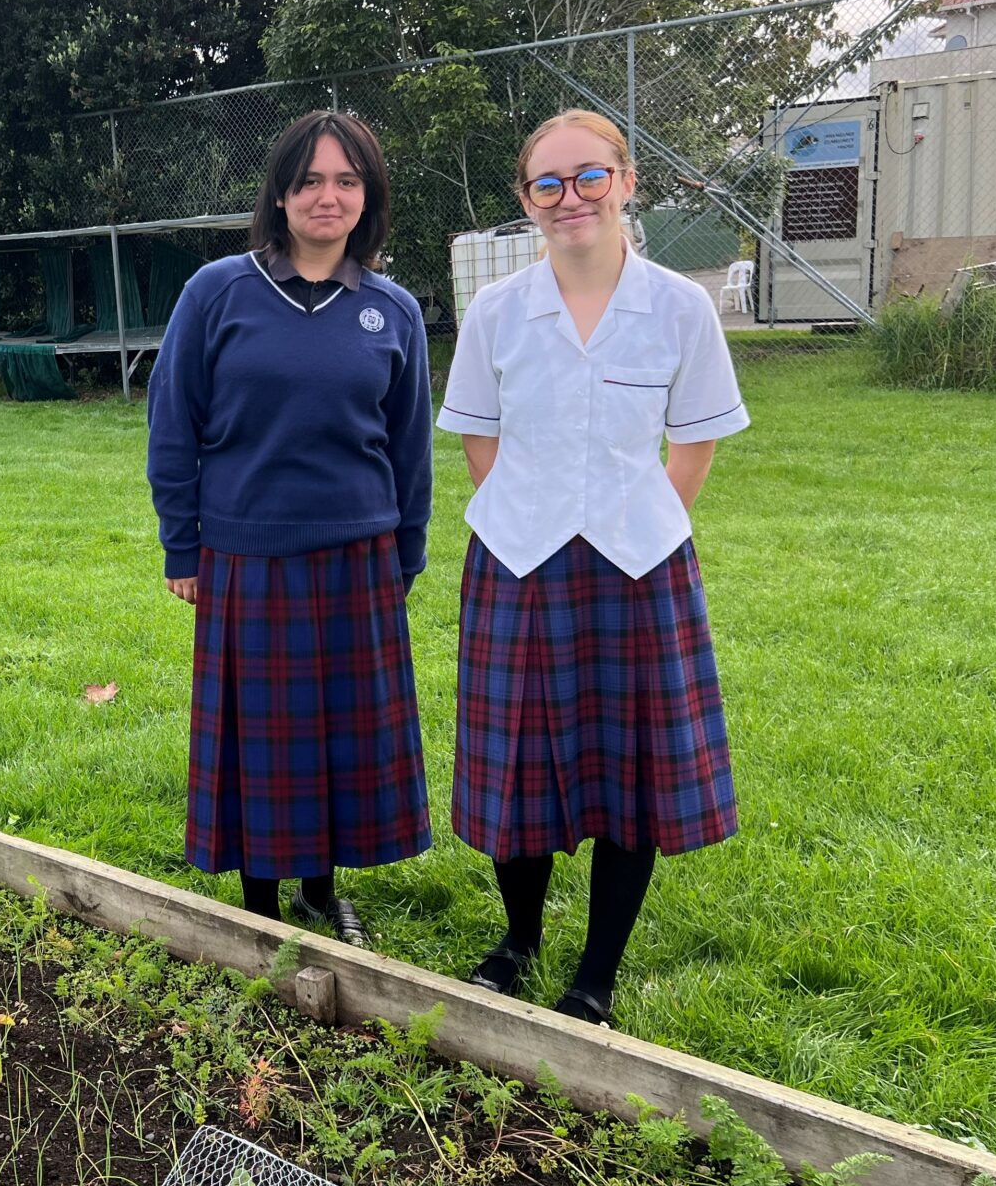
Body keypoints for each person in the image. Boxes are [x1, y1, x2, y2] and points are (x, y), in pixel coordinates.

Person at [436, 109, 748, 1024]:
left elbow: (691, 443)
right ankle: (518, 938)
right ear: (525, 201)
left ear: (626, 181)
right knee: (513, 767)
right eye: (547, 183)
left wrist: (630, 526)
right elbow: (479, 441)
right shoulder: (495, 313)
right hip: (517, 559)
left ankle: (595, 977)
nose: (569, 199)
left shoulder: (679, 308)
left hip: (638, 567)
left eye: (588, 177)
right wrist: (539, 519)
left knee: (631, 773)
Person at [146, 111, 433, 946]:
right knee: (262, 744)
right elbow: (173, 426)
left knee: (337, 737)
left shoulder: (393, 310)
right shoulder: (218, 291)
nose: (327, 196)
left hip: (360, 557)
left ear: (367, 197)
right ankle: (261, 904)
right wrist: (182, 541)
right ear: (278, 193)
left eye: (347, 180)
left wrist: (406, 550)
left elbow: (409, 446)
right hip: (247, 554)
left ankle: (319, 890)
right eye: (309, 179)